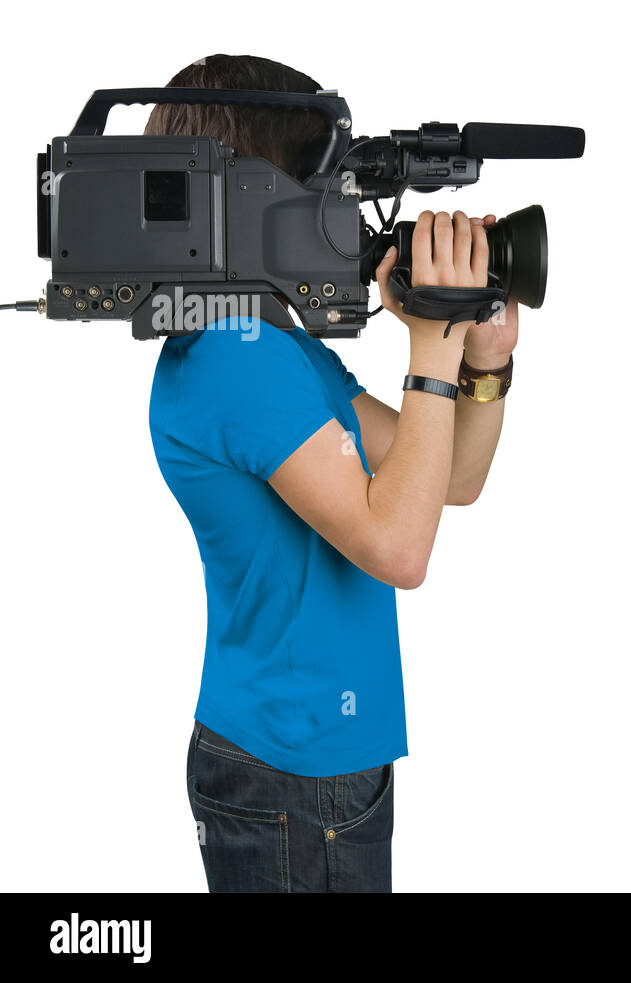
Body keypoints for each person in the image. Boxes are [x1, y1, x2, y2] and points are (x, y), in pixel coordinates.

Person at [147, 54, 519, 892]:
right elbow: (399, 547)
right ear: (253, 194)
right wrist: (430, 346)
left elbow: (447, 478)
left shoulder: (274, 346)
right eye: (318, 185)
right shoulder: (237, 358)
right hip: (291, 769)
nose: (338, 211)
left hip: (318, 755)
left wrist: (481, 362)